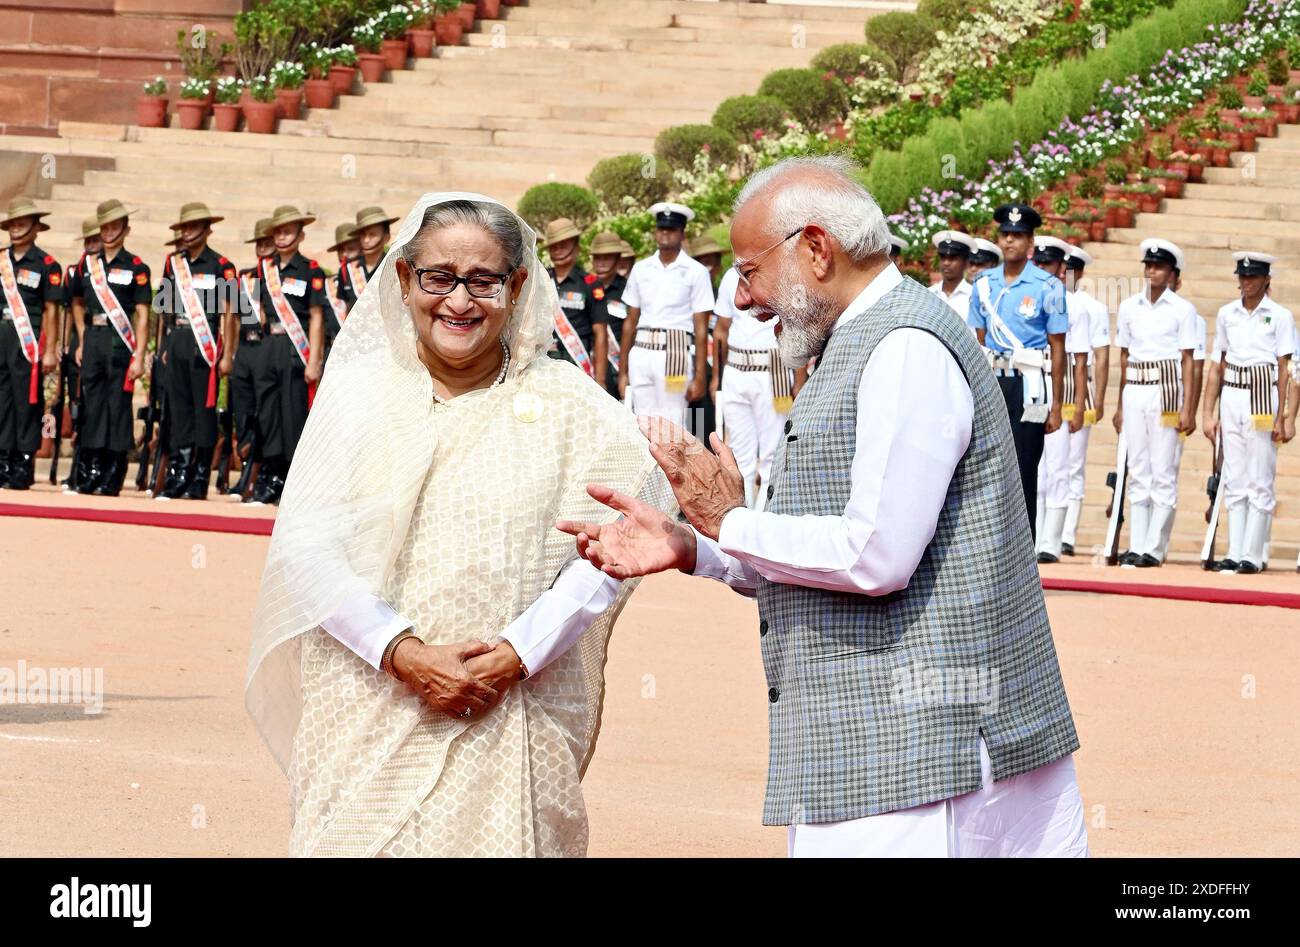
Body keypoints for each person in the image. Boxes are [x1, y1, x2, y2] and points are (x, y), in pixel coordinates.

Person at [559, 156, 1086, 858]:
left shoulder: (904, 348)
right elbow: (831, 546)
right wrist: (698, 549)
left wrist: (729, 521)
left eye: (748, 271)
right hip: (886, 752)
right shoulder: (860, 341)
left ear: (815, 248)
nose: (741, 299)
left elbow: (875, 556)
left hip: (920, 757)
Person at [244, 192, 675, 857]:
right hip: (367, 700)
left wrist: (516, 653)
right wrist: (403, 653)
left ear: (519, 286)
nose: (459, 301)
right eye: (439, 277)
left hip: (507, 710)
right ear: (404, 280)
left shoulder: (570, 409)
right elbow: (306, 548)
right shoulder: (360, 395)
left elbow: (607, 554)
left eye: (484, 280)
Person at [967, 203, 1067, 537]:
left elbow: (1057, 346)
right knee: (986, 466)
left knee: (1025, 467)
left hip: (1030, 386)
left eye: (1018, 236)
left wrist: (1057, 404)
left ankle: (1024, 553)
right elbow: (978, 341)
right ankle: (988, 544)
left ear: (1030, 243)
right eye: (1006, 235)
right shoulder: (983, 284)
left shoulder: (1048, 286)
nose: (1010, 241)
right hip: (994, 380)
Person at [1202, 252, 1294, 574]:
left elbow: (1287, 369)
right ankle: (1235, 550)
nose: (1246, 282)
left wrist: (1286, 415)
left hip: (1261, 393)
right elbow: (1217, 365)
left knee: (1260, 477)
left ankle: (1253, 554)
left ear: (1266, 279)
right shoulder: (1227, 314)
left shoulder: (1280, 316)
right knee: (1235, 477)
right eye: (1242, 276)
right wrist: (1207, 411)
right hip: (1233, 393)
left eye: (1252, 277)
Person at [1112, 239, 1198, 567]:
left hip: (1166, 391)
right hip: (1135, 387)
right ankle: (1137, 543)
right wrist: (1120, 404)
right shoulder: (1129, 307)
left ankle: (1155, 546)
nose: (1151, 271)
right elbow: (1124, 355)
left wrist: (1188, 407)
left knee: (1163, 469)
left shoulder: (1182, 309)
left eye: (1158, 267)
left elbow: (1189, 360)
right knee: (1139, 468)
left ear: (1172, 273)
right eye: (1148, 266)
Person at [67, 199, 151, 496]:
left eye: (116, 226)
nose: (110, 232)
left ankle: (113, 473)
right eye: (105, 226)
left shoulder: (136, 267)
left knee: (118, 407)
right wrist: (80, 336)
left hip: (120, 343)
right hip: (94, 339)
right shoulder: (86, 264)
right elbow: (76, 301)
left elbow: (142, 314)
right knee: (92, 405)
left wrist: (139, 355)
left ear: (126, 229)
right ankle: (91, 470)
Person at [155, 202, 237, 500]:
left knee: (202, 413)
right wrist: (164, 345)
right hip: (177, 339)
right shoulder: (172, 262)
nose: (188, 233)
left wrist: (228, 353)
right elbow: (163, 308)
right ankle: (179, 471)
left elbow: (231, 312)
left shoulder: (221, 265)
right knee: (178, 410)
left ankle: (200, 476)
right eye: (184, 228)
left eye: (193, 227)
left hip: (205, 346)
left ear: (207, 229)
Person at [249, 204, 325, 506]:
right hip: (268, 346)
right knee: (267, 414)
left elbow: (317, 316)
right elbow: (253, 311)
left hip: (296, 349)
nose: (282, 237)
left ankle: (293, 482)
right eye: (278, 231)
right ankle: (271, 476)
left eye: (288, 231)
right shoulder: (262, 269)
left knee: (293, 415)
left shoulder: (311, 270)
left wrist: (314, 359)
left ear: (300, 234)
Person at [712, 263, 802, 511]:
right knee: (740, 455)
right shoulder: (731, 276)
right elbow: (720, 330)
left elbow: (798, 330)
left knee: (773, 454)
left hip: (774, 370)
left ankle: (765, 519)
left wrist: (800, 381)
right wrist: (715, 378)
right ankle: (743, 519)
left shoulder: (785, 271)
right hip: (736, 367)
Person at [618, 202, 714, 425]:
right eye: (661, 228)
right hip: (642, 350)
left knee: (672, 423)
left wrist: (700, 376)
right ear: (655, 231)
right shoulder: (641, 268)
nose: (665, 234)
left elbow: (701, 327)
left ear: (682, 233)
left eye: (671, 230)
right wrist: (622, 371)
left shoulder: (696, 272)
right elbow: (630, 321)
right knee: (642, 423)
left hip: (675, 351)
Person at [0, 198, 62, 490]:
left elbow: (52, 309)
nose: (17, 227)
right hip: (1, 334)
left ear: (36, 227)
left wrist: (50, 349)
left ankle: (22, 464)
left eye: (23, 222)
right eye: (13, 222)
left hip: (28, 341)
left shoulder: (47, 265)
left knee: (27, 403)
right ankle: (3, 461)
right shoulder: (0, 259)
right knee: (2, 402)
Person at [1059, 246, 1109, 556]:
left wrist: (1099, 399)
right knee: (1049, 466)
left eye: (1071, 270)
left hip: (1080, 384)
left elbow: (1101, 356)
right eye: (1062, 269)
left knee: (1074, 463)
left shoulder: (1092, 307)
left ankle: (1067, 533)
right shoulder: (1047, 299)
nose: (1065, 275)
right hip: (1054, 381)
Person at [223, 217, 273, 500]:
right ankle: (245, 466)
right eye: (260, 244)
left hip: (268, 352)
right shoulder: (242, 278)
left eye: (268, 243)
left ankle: (259, 471)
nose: (264, 249)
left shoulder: (277, 280)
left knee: (264, 413)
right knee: (242, 413)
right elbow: (229, 318)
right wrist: (229, 354)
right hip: (244, 350)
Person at [59, 216, 101, 492]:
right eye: (90, 241)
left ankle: (90, 468)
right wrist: (65, 345)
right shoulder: (76, 271)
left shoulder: (116, 268)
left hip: (103, 340)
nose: (94, 245)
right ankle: (78, 468)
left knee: (93, 407)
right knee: (78, 406)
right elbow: (68, 307)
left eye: (96, 239)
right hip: (81, 342)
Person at [543, 217, 606, 387]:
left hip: (578, 359)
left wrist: (600, 380)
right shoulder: (541, 280)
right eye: (554, 246)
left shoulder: (590, 283)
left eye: (564, 244)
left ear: (577, 246)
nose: (558, 250)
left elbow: (600, 332)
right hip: (545, 360)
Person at [588, 230, 627, 400]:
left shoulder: (628, 289)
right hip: (589, 364)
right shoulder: (586, 286)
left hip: (619, 368)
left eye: (607, 258)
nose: (601, 263)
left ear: (618, 260)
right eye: (597, 258)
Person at [323, 222, 359, 354]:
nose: (345, 254)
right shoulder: (328, 283)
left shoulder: (369, 278)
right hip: (333, 350)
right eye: (341, 250)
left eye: (351, 249)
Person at [927, 229, 974, 316]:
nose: (946, 263)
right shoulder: (929, 294)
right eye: (943, 257)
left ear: (966, 262)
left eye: (953, 258)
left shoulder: (974, 296)